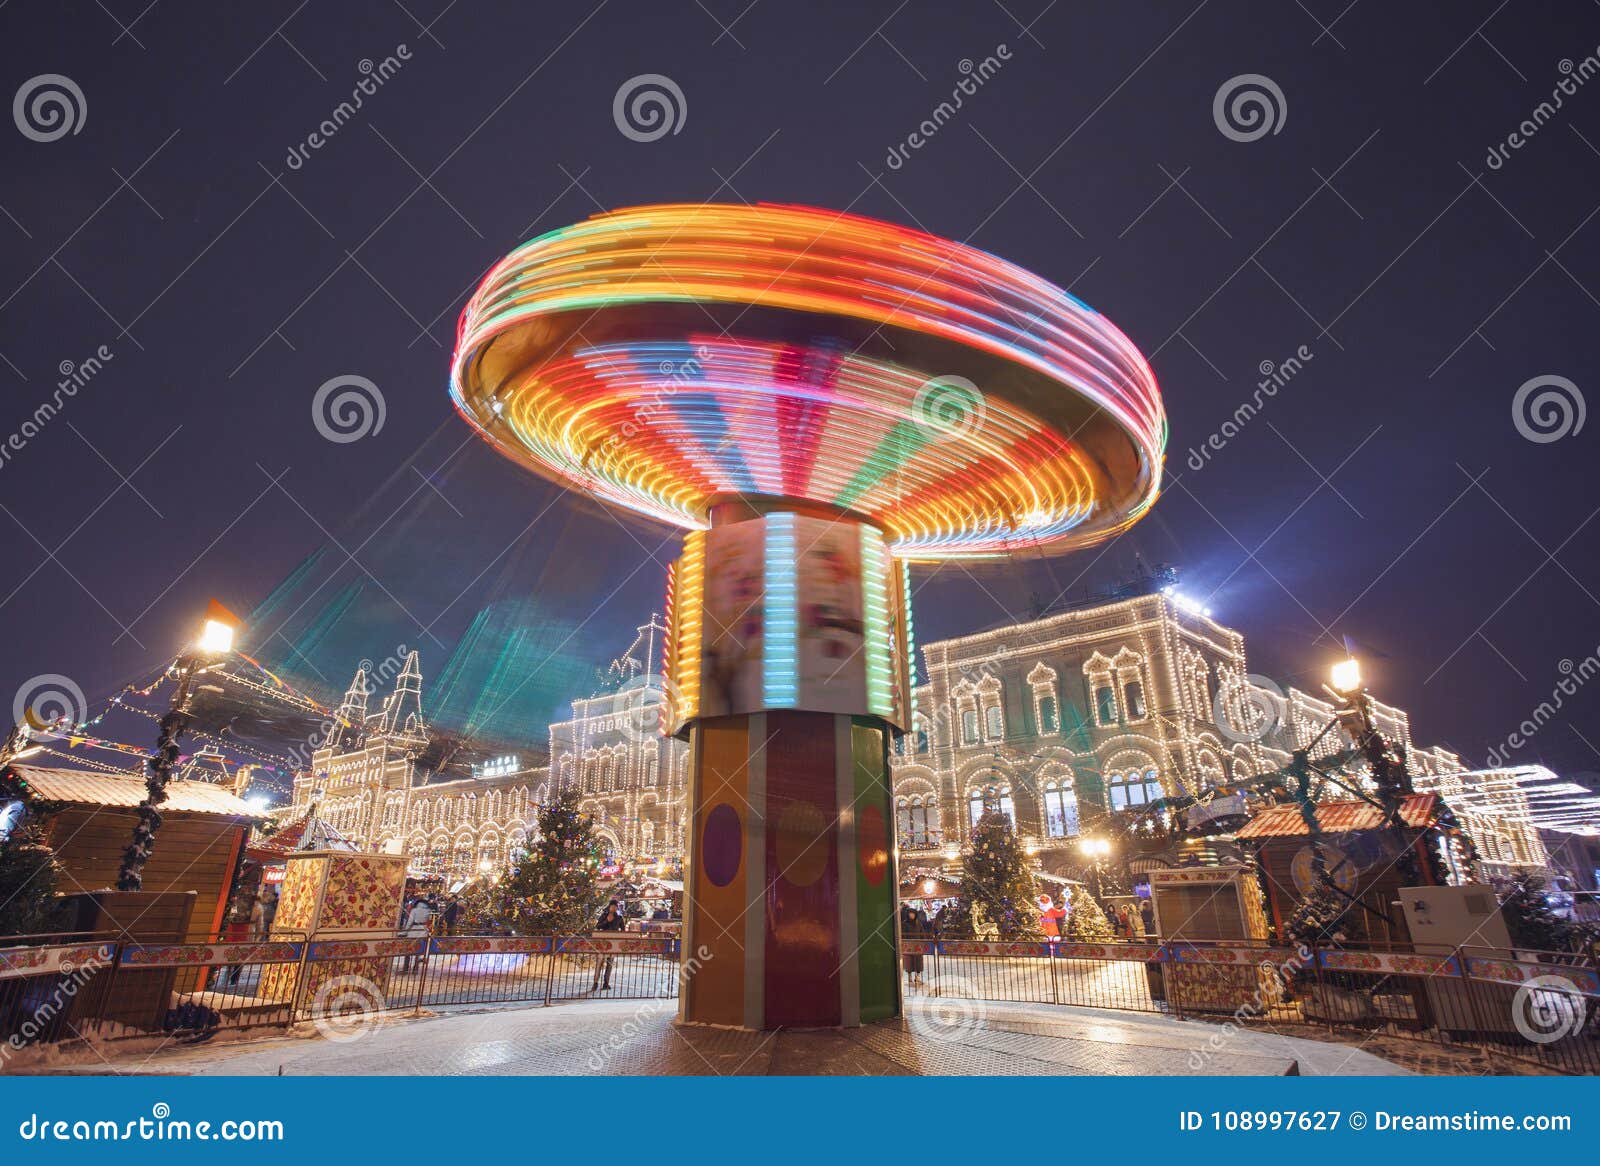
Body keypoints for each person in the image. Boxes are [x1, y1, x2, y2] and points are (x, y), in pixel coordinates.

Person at [591, 899, 626, 991]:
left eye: (615, 906)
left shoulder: (619, 917)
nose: (614, 908)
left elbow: (623, 930)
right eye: (612, 906)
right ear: (609, 906)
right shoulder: (604, 915)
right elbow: (598, 926)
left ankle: (606, 983)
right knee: (599, 963)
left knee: (609, 964)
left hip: (613, 943)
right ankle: (595, 982)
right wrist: (606, 921)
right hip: (603, 942)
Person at [401, 896, 434, 973]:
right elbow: (429, 921)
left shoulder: (414, 910)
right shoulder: (428, 911)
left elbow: (409, 922)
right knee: (418, 950)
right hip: (423, 930)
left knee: (409, 948)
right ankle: (415, 968)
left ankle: (406, 967)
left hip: (413, 930)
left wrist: (405, 931)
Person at [900, 903, 925, 985]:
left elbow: (922, 933)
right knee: (909, 962)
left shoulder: (919, 923)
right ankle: (909, 977)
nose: (911, 915)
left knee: (918, 962)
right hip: (909, 946)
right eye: (910, 914)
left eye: (913, 914)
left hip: (918, 945)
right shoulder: (904, 923)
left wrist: (923, 942)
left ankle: (917, 977)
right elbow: (903, 934)